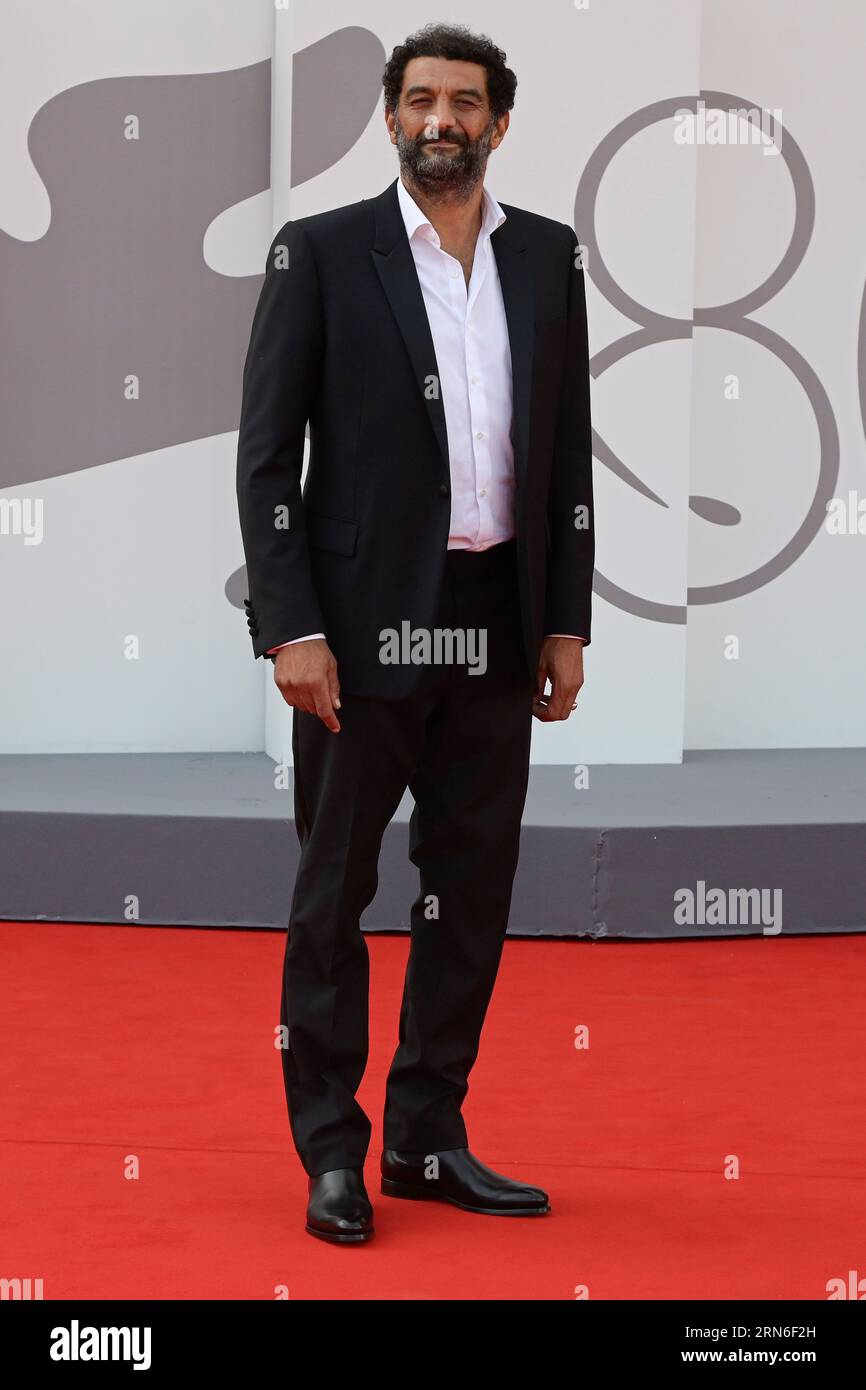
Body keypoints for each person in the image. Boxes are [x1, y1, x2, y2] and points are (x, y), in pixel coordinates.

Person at [236, 22, 594, 1243]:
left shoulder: (546, 258)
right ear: (390, 116)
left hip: (497, 625)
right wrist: (289, 624)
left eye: (464, 101)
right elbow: (265, 459)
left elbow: (561, 453)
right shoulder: (321, 253)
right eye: (420, 99)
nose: (440, 119)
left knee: (469, 895)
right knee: (333, 894)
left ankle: (428, 1142)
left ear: (499, 120)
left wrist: (564, 621)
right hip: (356, 630)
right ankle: (331, 1153)